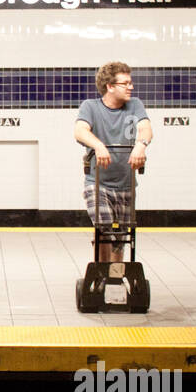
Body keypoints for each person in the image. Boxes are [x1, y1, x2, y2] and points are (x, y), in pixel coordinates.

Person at [74, 62, 152, 262]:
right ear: (110, 86)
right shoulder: (90, 107)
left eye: (130, 83)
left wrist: (141, 145)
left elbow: (145, 129)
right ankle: (103, 273)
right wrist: (99, 146)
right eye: (125, 83)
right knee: (104, 230)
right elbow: (80, 131)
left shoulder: (135, 105)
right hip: (98, 183)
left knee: (121, 238)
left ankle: (115, 277)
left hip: (126, 184)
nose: (130, 87)